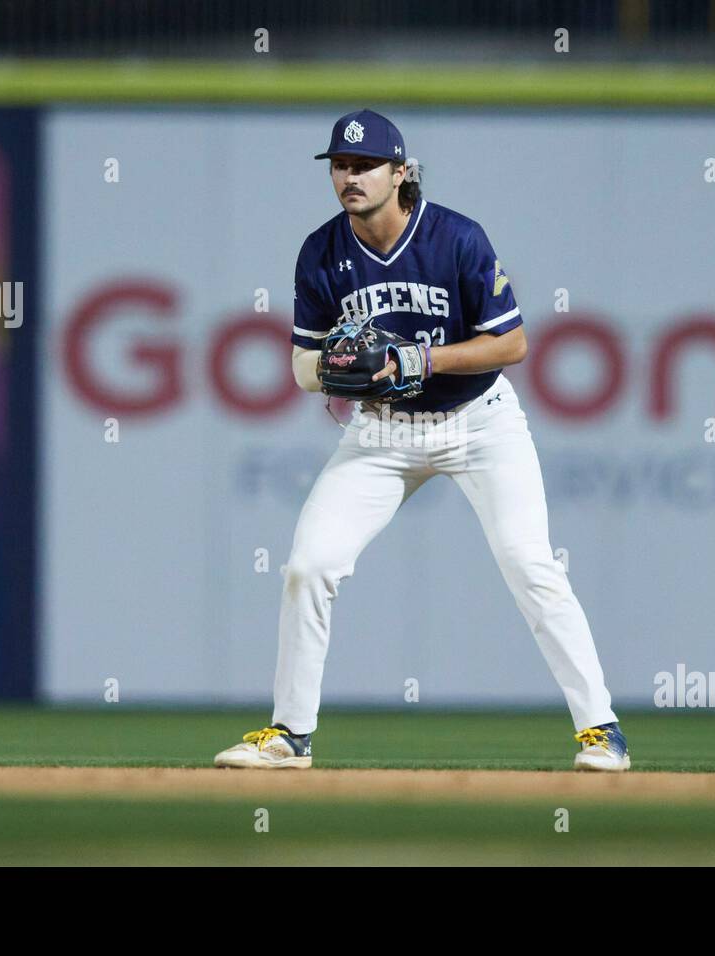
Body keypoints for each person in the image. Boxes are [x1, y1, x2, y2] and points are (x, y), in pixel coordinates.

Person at [214, 109, 628, 771]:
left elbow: (514, 343)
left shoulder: (456, 238)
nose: (349, 177)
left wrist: (421, 362)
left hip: (480, 423)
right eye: (340, 166)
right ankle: (290, 734)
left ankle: (601, 730)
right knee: (308, 567)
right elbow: (300, 367)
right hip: (382, 432)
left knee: (530, 564)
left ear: (400, 172)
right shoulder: (321, 253)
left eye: (364, 165)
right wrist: (337, 373)